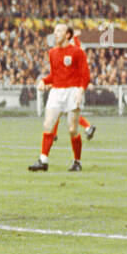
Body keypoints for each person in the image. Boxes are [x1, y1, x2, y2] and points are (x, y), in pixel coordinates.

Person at [30, 23, 87, 172]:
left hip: (72, 91)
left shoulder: (77, 52)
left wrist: (81, 91)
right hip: (56, 92)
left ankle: (77, 162)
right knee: (48, 125)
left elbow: (85, 75)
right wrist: (44, 81)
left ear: (68, 34)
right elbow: (54, 75)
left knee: (72, 129)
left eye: (59, 31)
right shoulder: (52, 53)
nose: (55, 33)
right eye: (55, 31)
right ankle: (43, 160)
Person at [48, 28, 96, 143]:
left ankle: (54, 134)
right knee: (65, 113)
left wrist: (74, 37)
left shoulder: (73, 55)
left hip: (72, 89)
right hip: (74, 88)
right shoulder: (75, 55)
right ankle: (87, 128)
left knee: (64, 113)